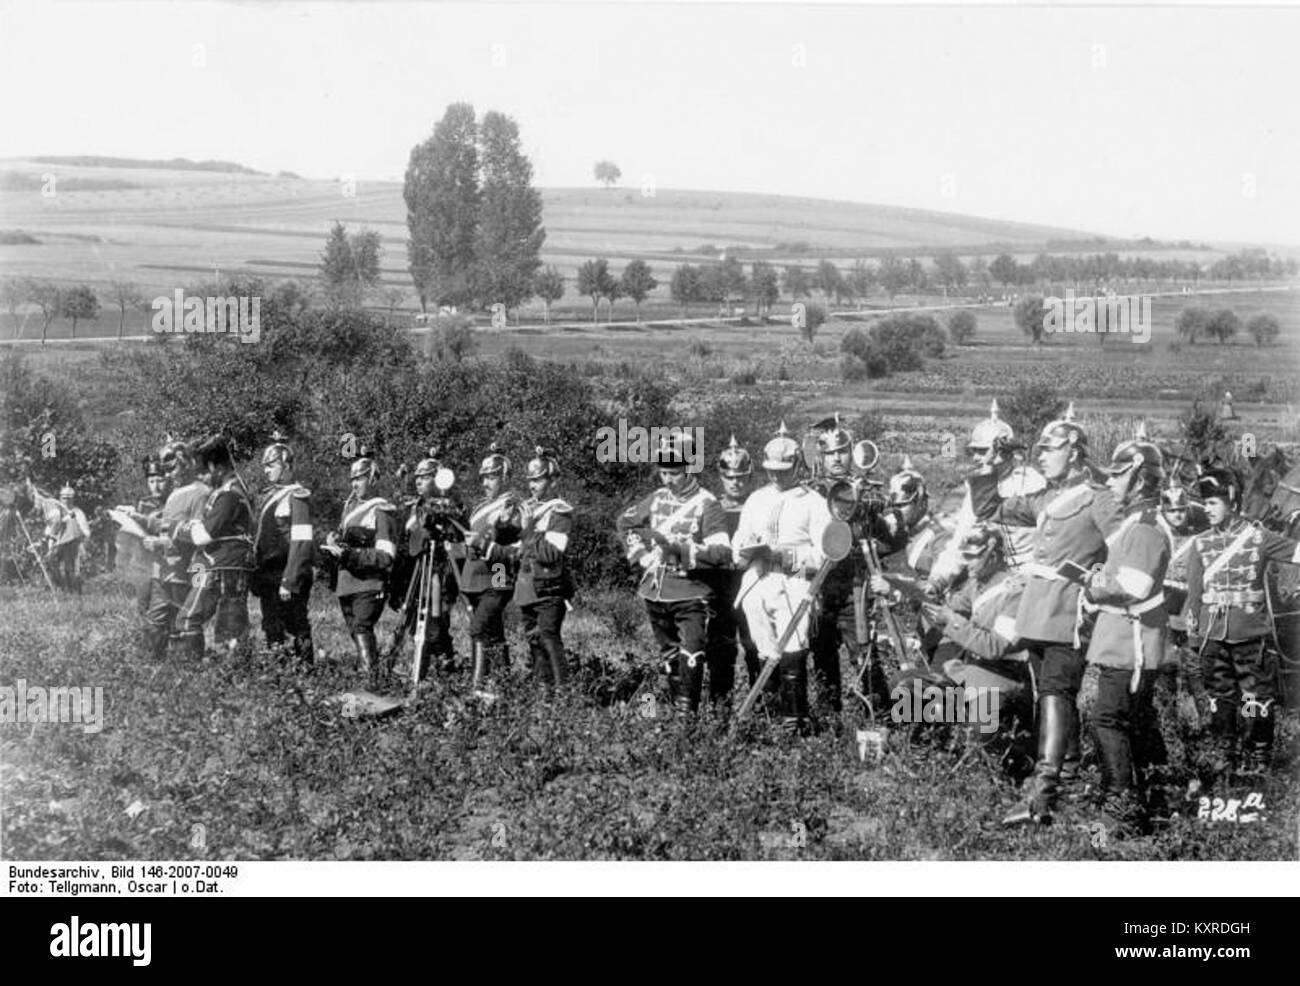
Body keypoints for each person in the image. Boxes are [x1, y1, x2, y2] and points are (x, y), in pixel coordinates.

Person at [969, 403, 1124, 826]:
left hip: (1069, 610)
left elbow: (1124, 546)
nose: (1040, 455)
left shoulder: (1099, 498)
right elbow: (988, 509)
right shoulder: (1046, 499)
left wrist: (1099, 583)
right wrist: (988, 463)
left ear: (1073, 451)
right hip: (1038, 610)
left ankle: (1043, 788)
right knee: (1052, 695)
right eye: (1038, 448)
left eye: (1049, 448)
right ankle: (1069, 785)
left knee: (1056, 692)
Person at [1079, 435, 1171, 835]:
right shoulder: (1137, 524)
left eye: (1118, 476)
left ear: (1138, 479)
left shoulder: (1146, 528)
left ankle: (1122, 806)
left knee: (1106, 721)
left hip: (1130, 646)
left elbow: (1131, 586)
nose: (1112, 483)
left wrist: (1093, 585)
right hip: (1125, 641)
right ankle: (1158, 796)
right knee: (1135, 721)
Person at [1186, 465, 1300, 776]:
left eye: (1213, 502)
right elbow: (1194, 596)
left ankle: (1258, 757)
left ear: (1232, 500)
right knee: (1220, 698)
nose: (1206, 509)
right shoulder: (1199, 544)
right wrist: (1194, 640)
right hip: (1212, 634)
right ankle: (1225, 753)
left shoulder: (1258, 538)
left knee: (1256, 697)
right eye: (1205, 503)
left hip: (1249, 633)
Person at [619, 433, 731, 715]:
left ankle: (687, 717)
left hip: (691, 590)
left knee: (691, 652)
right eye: (664, 472)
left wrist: (682, 550)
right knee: (668, 654)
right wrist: (640, 557)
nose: (668, 479)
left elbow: (721, 552)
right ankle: (667, 712)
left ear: (689, 468)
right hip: (657, 588)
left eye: (675, 473)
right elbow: (625, 523)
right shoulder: (656, 498)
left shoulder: (708, 503)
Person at [732, 423, 833, 733]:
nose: (776, 476)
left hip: (795, 581)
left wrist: (792, 558)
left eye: (783, 469)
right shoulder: (756, 500)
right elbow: (741, 538)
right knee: (763, 645)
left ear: (798, 465)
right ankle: (769, 714)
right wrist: (745, 551)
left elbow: (826, 552)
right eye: (771, 470)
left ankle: (794, 719)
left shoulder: (813, 502)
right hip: (760, 578)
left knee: (792, 645)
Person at [921, 524, 1030, 738]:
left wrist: (951, 621)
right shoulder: (976, 584)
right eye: (965, 556)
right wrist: (913, 596)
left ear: (994, 556)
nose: (967, 563)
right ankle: (926, 749)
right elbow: (948, 609)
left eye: (973, 557)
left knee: (980, 730)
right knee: (906, 688)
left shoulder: (1015, 591)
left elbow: (995, 647)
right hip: (967, 673)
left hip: (1000, 679)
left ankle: (1009, 760)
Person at [936, 399, 1045, 589]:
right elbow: (962, 536)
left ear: (1003, 451)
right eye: (974, 452)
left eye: (983, 451)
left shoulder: (1031, 481)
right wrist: (939, 578)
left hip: (1032, 569)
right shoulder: (978, 487)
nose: (978, 458)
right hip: (998, 570)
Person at [173, 435, 255, 660]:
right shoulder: (238, 489)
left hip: (219, 566)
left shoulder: (228, 496)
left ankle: (190, 674)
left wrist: (178, 528)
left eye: (202, 472)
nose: (201, 478)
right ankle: (237, 674)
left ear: (215, 467)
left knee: (188, 619)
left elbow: (202, 536)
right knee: (231, 629)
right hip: (231, 566)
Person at [321, 451, 398, 687]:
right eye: (353, 479)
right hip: (347, 584)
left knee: (363, 629)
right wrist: (335, 542)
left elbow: (385, 556)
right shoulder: (349, 507)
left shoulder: (381, 510)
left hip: (368, 583)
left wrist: (349, 554)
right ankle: (369, 676)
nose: (355, 484)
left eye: (361, 478)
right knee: (356, 631)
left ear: (373, 479)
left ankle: (369, 683)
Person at [391, 448, 466, 684]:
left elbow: (458, 542)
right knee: (414, 625)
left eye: (425, 478)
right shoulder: (415, 507)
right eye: (418, 479)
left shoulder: (451, 506)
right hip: (418, 573)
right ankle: (421, 672)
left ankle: (442, 672)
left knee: (436, 625)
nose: (420, 482)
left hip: (439, 573)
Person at [131, 441, 211, 662]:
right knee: (154, 621)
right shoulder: (175, 494)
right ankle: (152, 668)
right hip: (163, 570)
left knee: (184, 624)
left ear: (186, 464)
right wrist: (138, 520)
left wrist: (161, 544)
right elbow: (166, 527)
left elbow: (199, 535)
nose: (168, 475)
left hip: (186, 571)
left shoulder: (201, 493)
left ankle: (191, 671)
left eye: (172, 468)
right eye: (165, 470)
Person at [459, 443, 522, 701]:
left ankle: (478, 687)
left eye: (492, 476)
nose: (486, 482)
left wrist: (488, 539)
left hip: (497, 570)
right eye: (484, 477)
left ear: (504, 478)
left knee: (479, 628)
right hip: (475, 575)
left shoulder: (512, 505)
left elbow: (509, 538)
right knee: (494, 631)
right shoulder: (479, 507)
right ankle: (504, 684)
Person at [251, 433, 315, 666]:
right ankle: (279, 674)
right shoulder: (269, 495)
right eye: (265, 466)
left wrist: (290, 579)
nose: (266, 471)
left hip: (287, 573)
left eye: (271, 465)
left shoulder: (297, 496)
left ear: (286, 466)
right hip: (269, 575)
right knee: (272, 627)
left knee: (296, 626)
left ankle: (306, 673)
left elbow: (301, 543)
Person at [514, 447, 574, 691]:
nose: (533, 485)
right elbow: (509, 548)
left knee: (549, 638)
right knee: (534, 640)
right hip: (525, 586)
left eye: (538, 480)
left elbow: (551, 553)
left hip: (549, 587)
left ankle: (563, 693)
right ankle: (542, 692)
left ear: (553, 481)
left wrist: (528, 530)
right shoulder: (526, 508)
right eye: (531, 480)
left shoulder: (560, 511)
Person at [703, 436, 760, 693]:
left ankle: (762, 707)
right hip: (721, 589)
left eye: (741, 477)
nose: (736, 482)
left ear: (749, 476)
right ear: (721, 477)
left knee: (757, 647)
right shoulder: (711, 508)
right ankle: (719, 709)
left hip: (753, 585)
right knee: (719, 650)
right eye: (730, 477)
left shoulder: (760, 505)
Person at [132, 456, 170, 615]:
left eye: (160, 481)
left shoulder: (174, 501)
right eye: (152, 482)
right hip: (146, 562)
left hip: (168, 564)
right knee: (143, 603)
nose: (156, 487)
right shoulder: (143, 503)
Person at [46, 485, 90, 593]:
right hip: (58, 543)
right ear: (60, 498)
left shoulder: (77, 512)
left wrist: (84, 545)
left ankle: (73, 592)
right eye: (64, 498)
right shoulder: (55, 513)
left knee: (70, 569)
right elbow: (50, 532)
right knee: (51, 563)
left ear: (73, 499)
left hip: (73, 543)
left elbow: (85, 530)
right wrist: (50, 547)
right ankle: (59, 589)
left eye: (68, 498)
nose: (66, 500)